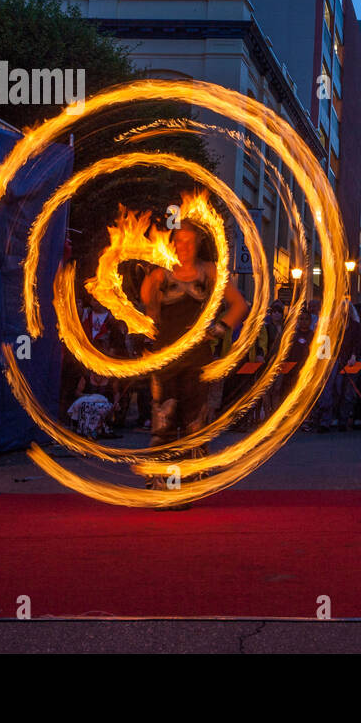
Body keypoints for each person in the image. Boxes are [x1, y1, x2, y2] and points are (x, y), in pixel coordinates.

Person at [139, 216, 248, 506]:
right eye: (178, 241)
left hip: (197, 359)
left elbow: (240, 304)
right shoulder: (162, 273)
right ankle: (159, 484)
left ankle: (187, 485)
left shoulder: (209, 272)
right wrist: (150, 284)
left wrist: (221, 328)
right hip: (166, 358)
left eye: (188, 241)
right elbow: (148, 311)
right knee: (164, 421)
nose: (183, 246)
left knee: (194, 424)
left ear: (198, 243)